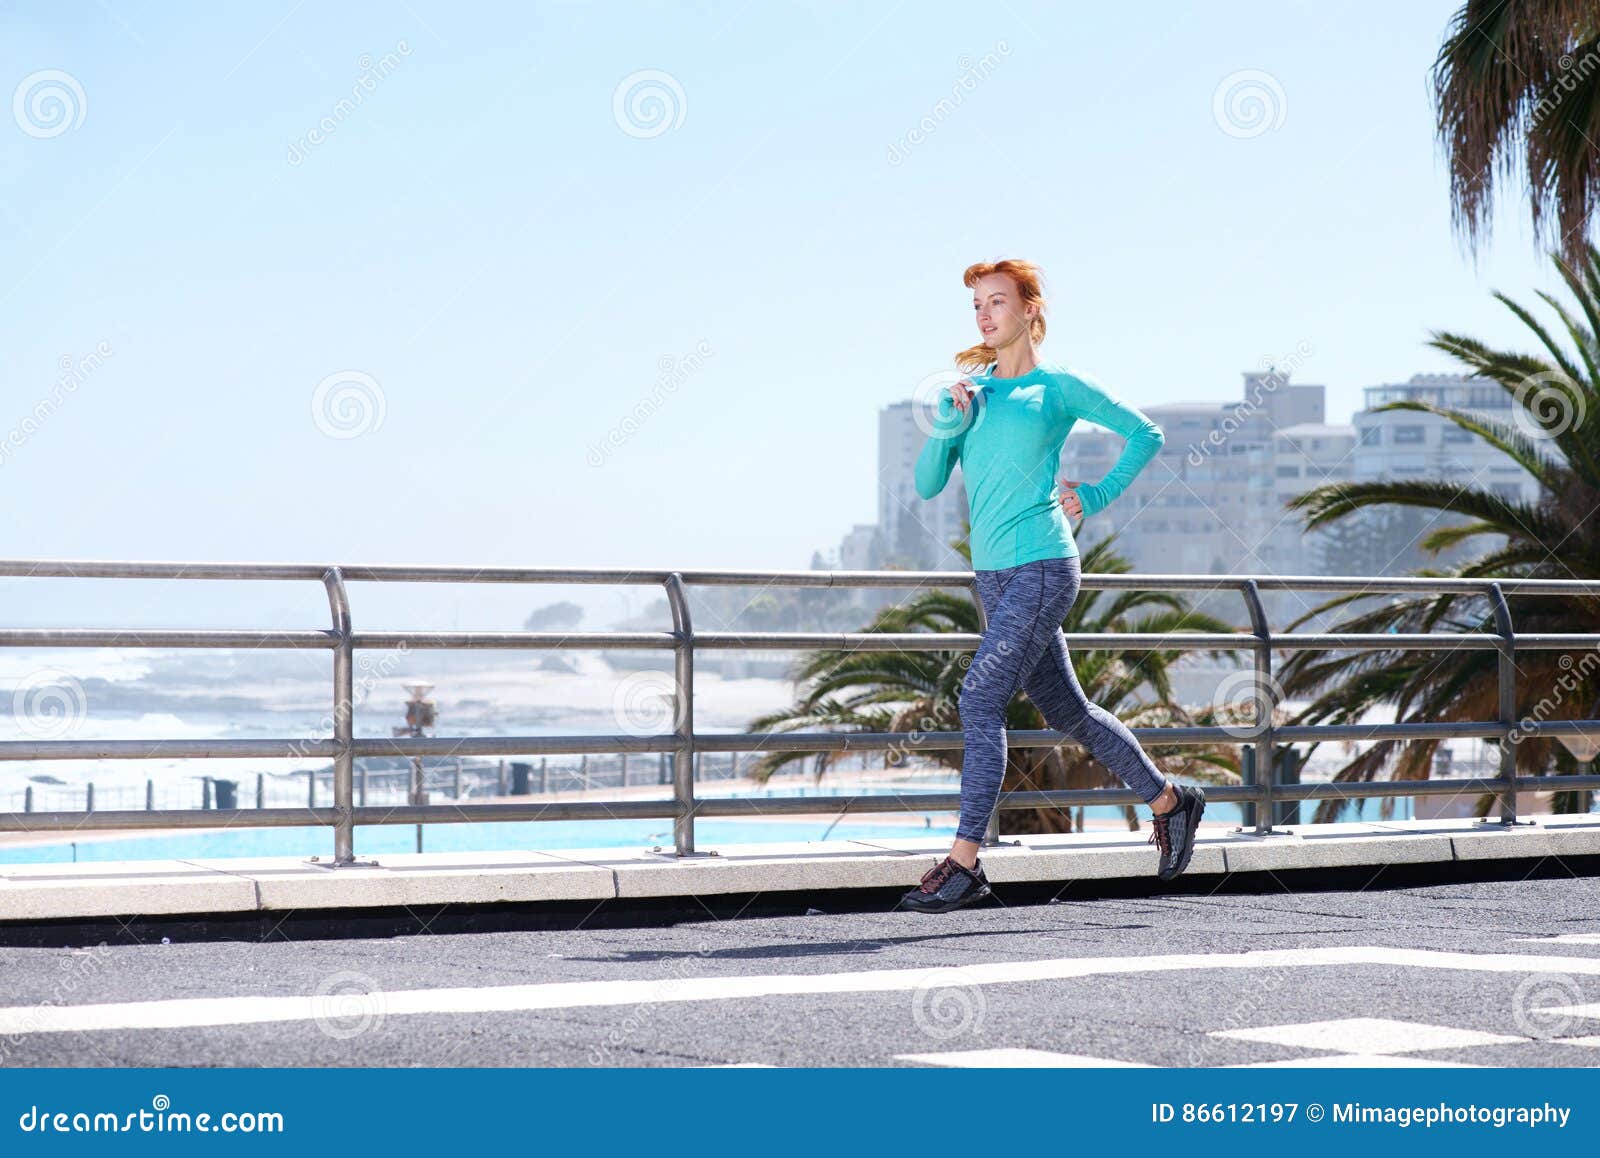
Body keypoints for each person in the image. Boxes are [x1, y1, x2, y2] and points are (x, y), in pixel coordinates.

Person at [896, 258, 1204, 914]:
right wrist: (949, 419)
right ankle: (1171, 803)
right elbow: (926, 484)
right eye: (977, 303)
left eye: (997, 301)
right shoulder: (973, 394)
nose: (984, 313)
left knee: (979, 699)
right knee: (1068, 712)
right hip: (996, 580)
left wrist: (1094, 494)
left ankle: (963, 865)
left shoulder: (1055, 387)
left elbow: (1144, 435)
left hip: (1042, 566)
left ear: (1030, 310)